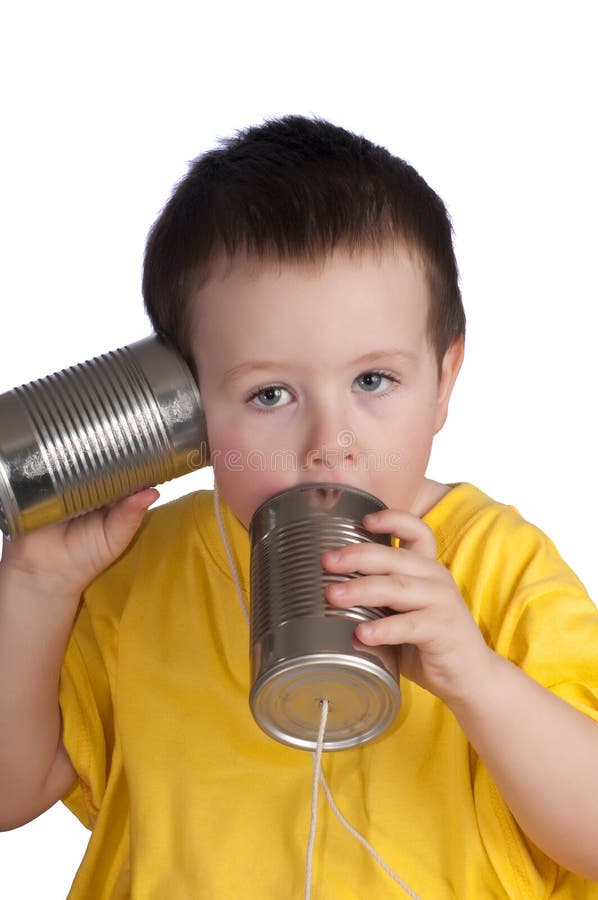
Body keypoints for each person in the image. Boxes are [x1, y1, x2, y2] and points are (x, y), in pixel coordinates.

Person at [1, 114, 597, 899]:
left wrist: (478, 680)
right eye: (269, 393)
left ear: (445, 379)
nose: (332, 443)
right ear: (182, 408)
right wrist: (37, 589)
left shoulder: (495, 563)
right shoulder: (138, 572)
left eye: (373, 381)